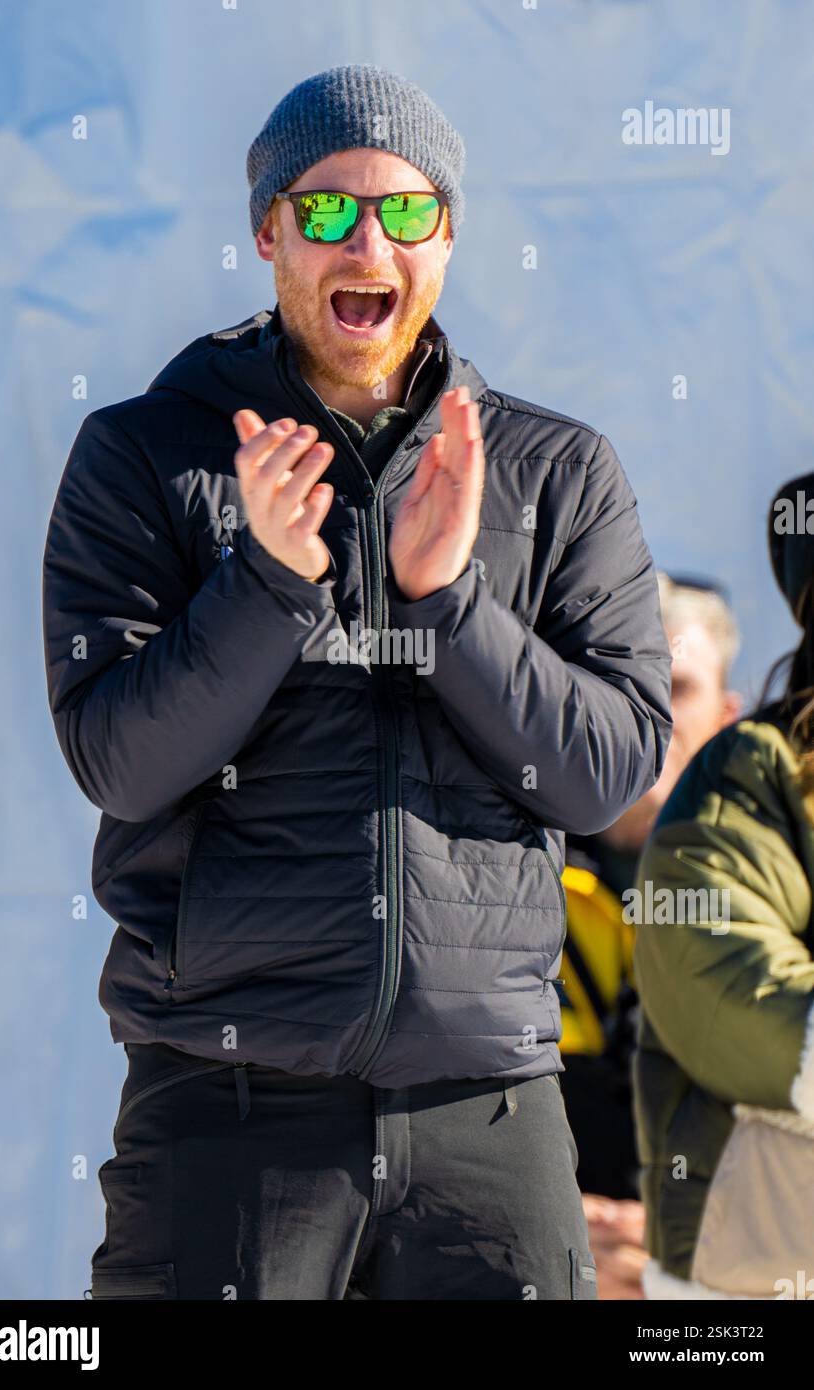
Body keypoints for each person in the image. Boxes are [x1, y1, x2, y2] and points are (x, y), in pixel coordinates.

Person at [42, 64, 672, 1301]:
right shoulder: (147, 454)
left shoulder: (552, 472)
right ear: (267, 232)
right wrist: (267, 585)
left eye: (402, 211)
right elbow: (119, 757)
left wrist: (449, 607)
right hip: (225, 1111)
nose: (364, 240)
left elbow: (605, 774)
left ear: (448, 235)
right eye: (325, 212)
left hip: (488, 1113)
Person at [632, 474, 814, 1299]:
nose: (647, 719)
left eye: (674, 688)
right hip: (759, 1267)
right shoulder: (754, 772)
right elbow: (724, 983)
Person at [558, 574, 742, 1298]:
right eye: (620, 678)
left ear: (731, 719)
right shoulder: (488, 889)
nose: (650, 712)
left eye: (680, 687)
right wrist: (548, 1227)